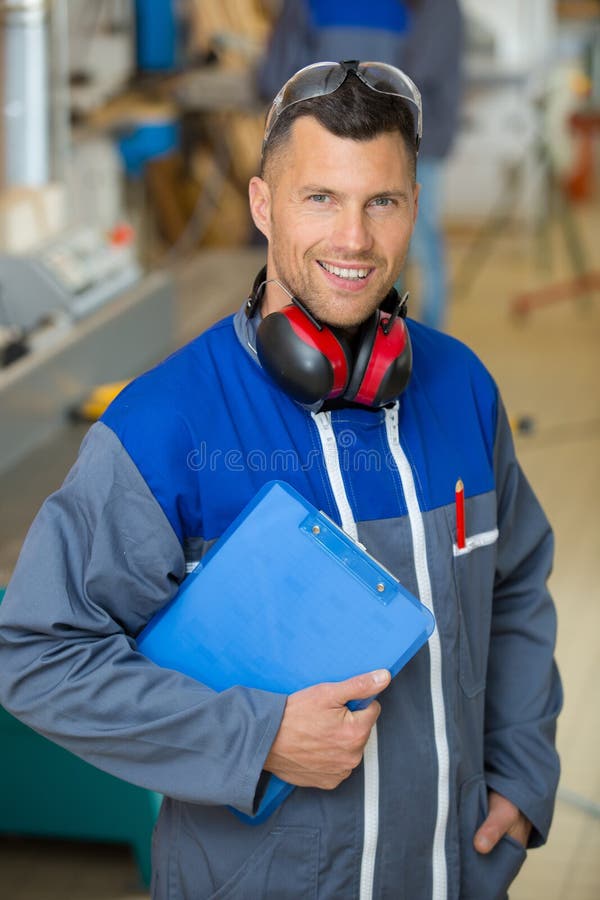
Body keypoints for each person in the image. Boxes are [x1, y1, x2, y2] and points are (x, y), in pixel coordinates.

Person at [0, 61, 561, 900]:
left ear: (414, 205)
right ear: (263, 204)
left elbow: (515, 586)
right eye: (320, 198)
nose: (354, 239)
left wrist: (520, 766)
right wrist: (253, 737)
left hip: (449, 876)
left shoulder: (464, 388)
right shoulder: (168, 425)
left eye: (383, 201)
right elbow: (36, 655)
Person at [257, 0, 464, 331]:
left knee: (388, 248)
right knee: (391, 246)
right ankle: (389, 337)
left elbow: (276, 77)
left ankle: (393, 339)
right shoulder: (410, 10)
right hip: (401, 141)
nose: (353, 237)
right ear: (259, 204)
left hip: (382, 146)